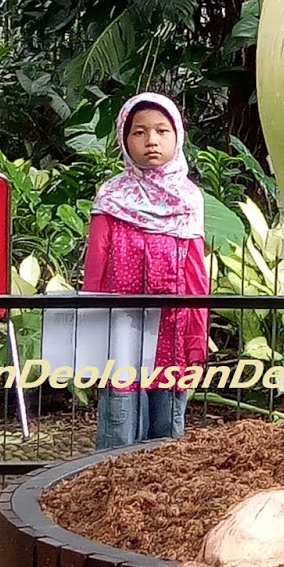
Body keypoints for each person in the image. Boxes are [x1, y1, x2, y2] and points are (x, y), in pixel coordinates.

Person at [82, 93, 209, 447]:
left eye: (161, 131)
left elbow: (197, 275)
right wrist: (93, 331)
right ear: (124, 138)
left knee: (167, 419)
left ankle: (161, 493)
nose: (151, 141)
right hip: (120, 325)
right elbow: (96, 268)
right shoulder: (111, 197)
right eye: (138, 132)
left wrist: (197, 332)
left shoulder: (187, 199)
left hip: (173, 324)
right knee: (119, 413)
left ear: (176, 136)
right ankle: (112, 483)